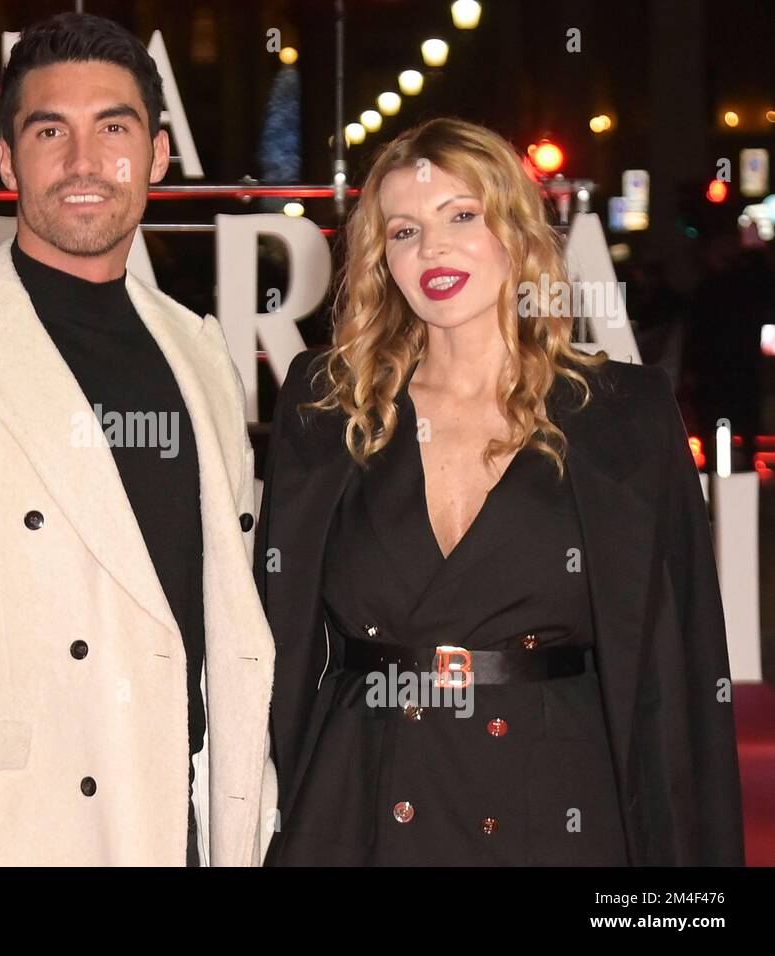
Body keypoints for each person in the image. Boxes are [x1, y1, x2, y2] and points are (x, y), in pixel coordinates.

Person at [0, 12, 275, 866]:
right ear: (5, 162)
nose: (83, 163)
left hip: (189, 825)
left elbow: (223, 620)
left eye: (114, 129)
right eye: (48, 132)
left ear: (158, 155)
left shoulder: (201, 351)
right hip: (29, 834)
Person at [256, 117, 744, 866]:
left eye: (462, 216)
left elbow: (676, 668)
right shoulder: (327, 405)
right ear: (381, 260)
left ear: (515, 234)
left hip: (554, 804)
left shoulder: (623, 412)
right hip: (364, 795)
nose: (434, 249)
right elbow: (278, 641)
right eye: (404, 231)